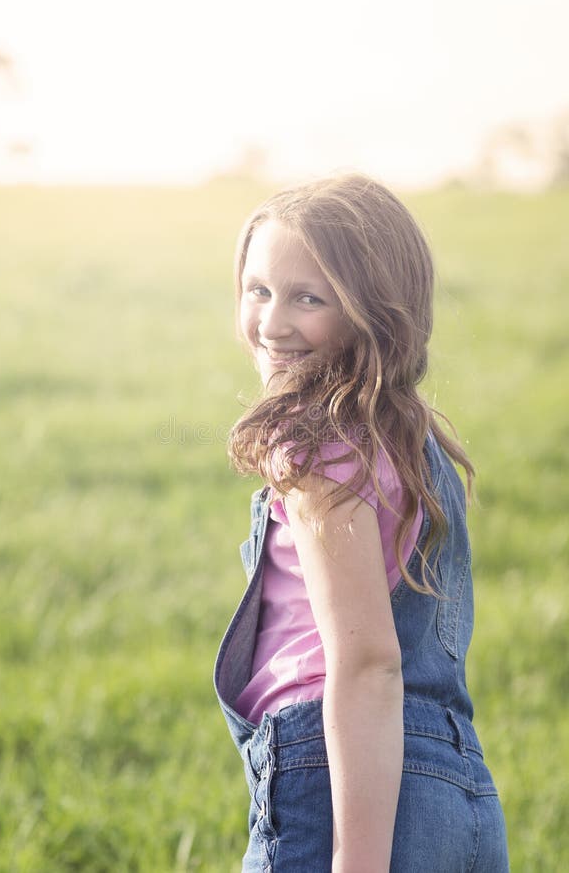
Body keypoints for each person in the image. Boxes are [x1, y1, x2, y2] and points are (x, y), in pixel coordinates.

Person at [214, 174, 509, 872]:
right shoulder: (419, 452)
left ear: (373, 311)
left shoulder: (313, 446)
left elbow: (369, 662)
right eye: (258, 290)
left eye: (308, 298)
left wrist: (358, 861)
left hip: (339, 779)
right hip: (460, 796)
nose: (272, 321)